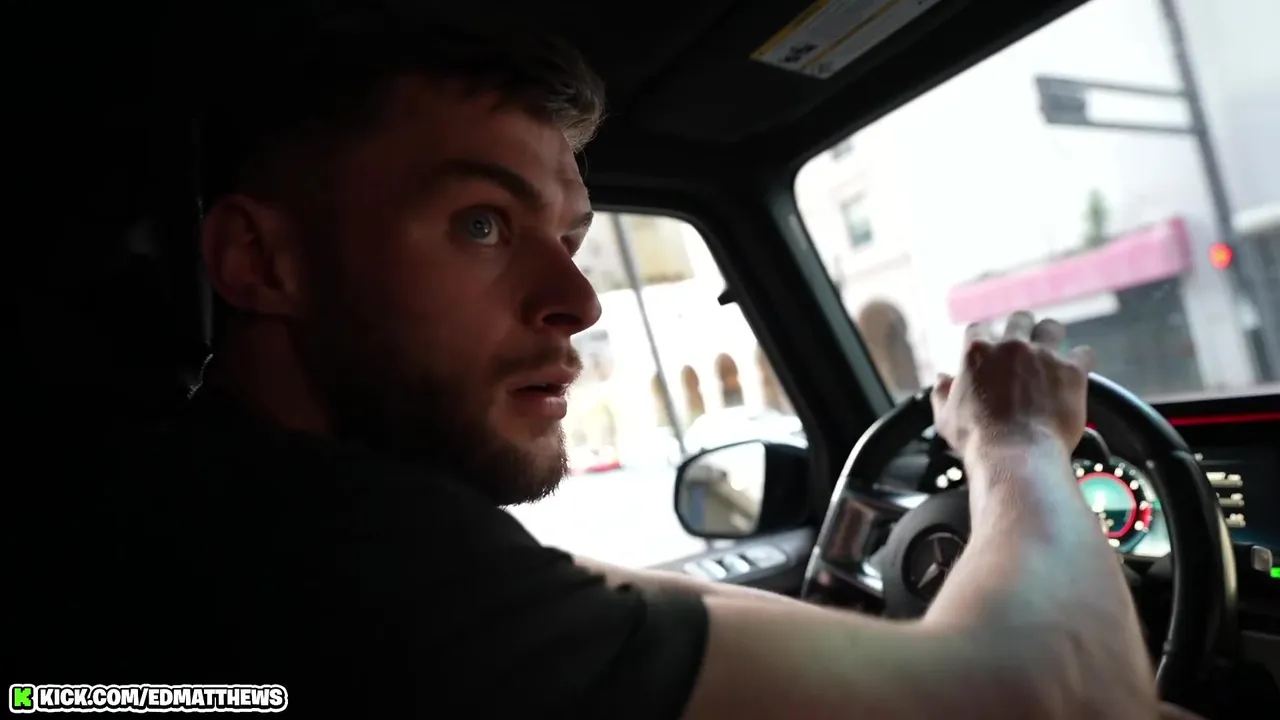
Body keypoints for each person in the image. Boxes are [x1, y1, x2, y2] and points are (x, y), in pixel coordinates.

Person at [53, 9, 1190, 719]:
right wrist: (1016, 441)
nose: (579, 301)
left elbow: (575, 595)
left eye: (570, 236)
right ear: (260, 261)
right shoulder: (329, 557)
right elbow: (1066, 698)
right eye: (481, 224)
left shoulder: (205, 500)